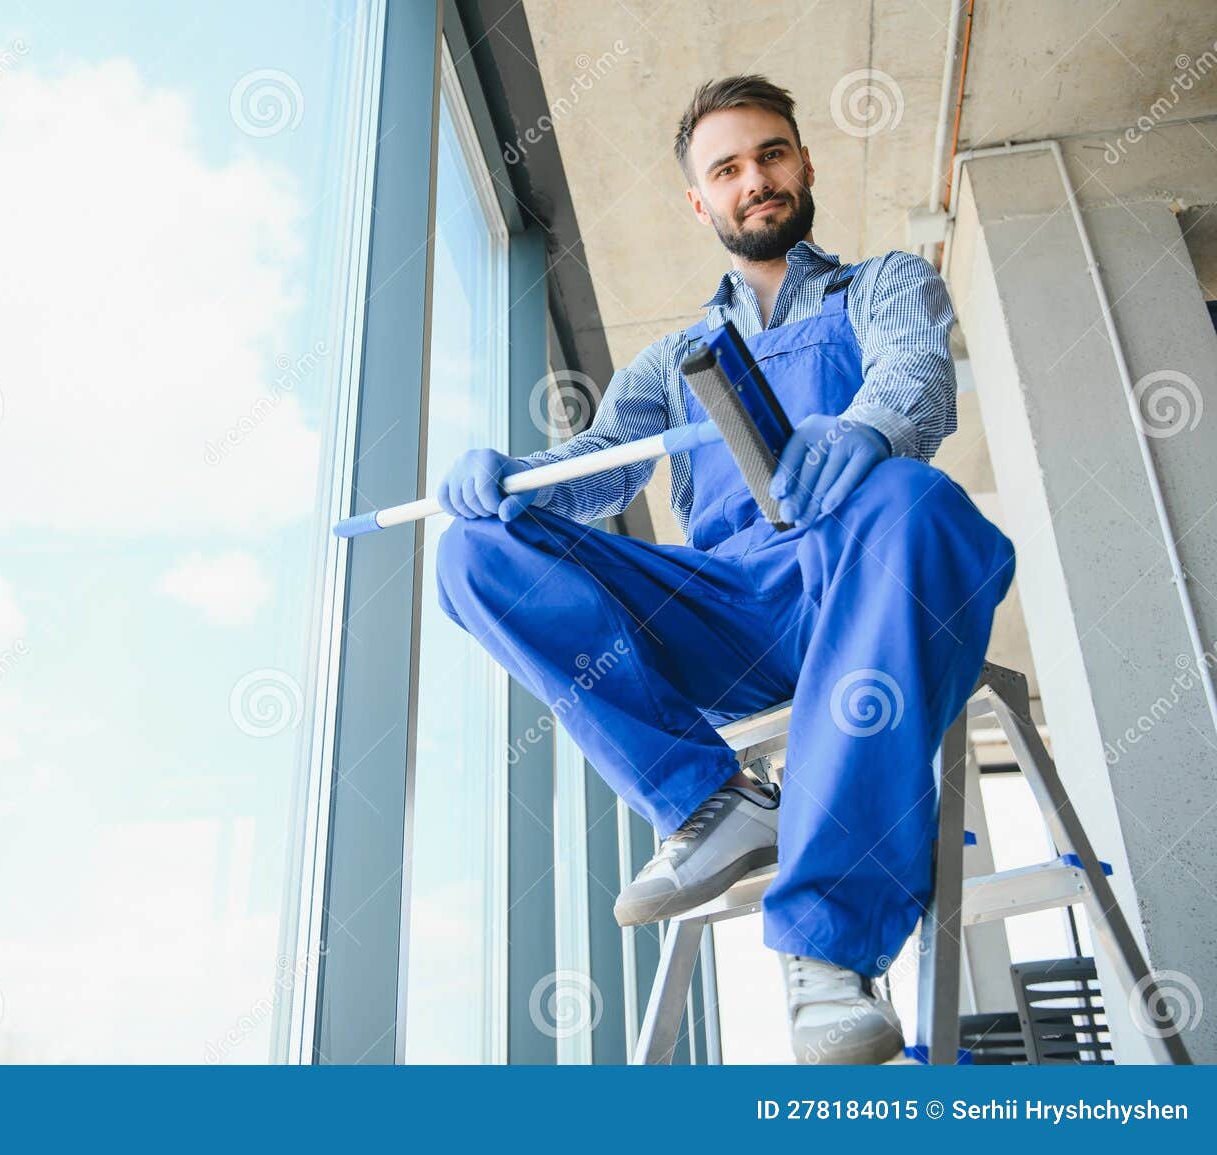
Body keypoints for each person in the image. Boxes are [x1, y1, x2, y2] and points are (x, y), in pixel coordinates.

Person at [432, 74, 1016, 1065]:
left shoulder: (880, 285)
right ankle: (713, 802)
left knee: (917, 501)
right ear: (698, 201)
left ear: (804, 165)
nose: (756, 180)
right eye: (728, 169)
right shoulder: (672, 360)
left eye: (772, 155)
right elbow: (597, 469)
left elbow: (912, 371)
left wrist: (868, 428)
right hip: (725, 616)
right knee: (472, 552)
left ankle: (829, 951)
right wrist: (516, 480)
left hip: (860, 585)